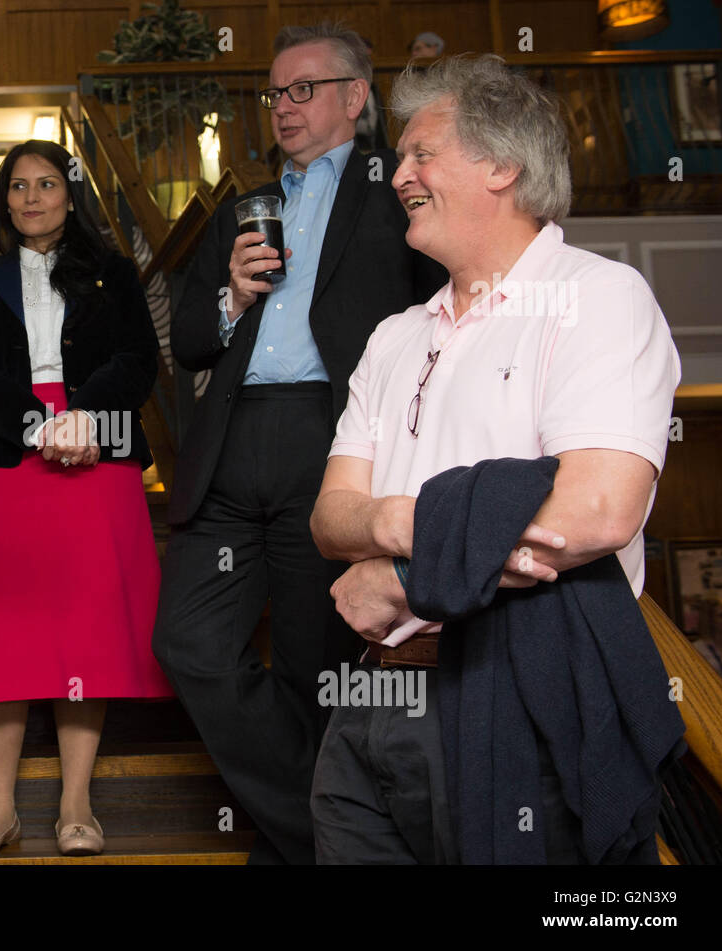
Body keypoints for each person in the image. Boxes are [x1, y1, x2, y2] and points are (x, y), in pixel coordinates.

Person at [309, 54, 684, 863]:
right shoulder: (394, 334)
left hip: (514, 689)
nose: (398, 173)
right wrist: (415, 525)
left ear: (503, 164)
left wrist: (403, 573)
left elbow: (595, 509)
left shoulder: (599, 298)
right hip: (373, 688)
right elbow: (333, 517)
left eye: (421, 153)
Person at [151, 23, 446, 865]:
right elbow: (196, 345)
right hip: (234, 440)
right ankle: (326, 835)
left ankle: (301, 845)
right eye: (275, 93)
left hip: (336, 437)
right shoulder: (246, 201)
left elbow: (439, 307)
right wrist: (230, 300)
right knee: (189, 643)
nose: (283, 107)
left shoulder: (397, 186)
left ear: (356, 98)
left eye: (303, 89)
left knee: (317, 667)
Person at [0, 139, 172, 857]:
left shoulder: (115, 273)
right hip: (1, 457)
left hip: (96, 451)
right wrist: (41, 426)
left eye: (46, 183)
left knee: (82, 633)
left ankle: (75, 804)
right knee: (0, 635)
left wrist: (85, 417)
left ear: (71, 193)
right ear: (4, 201)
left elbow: (138, 358)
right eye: (17, 186)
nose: (31, 196)